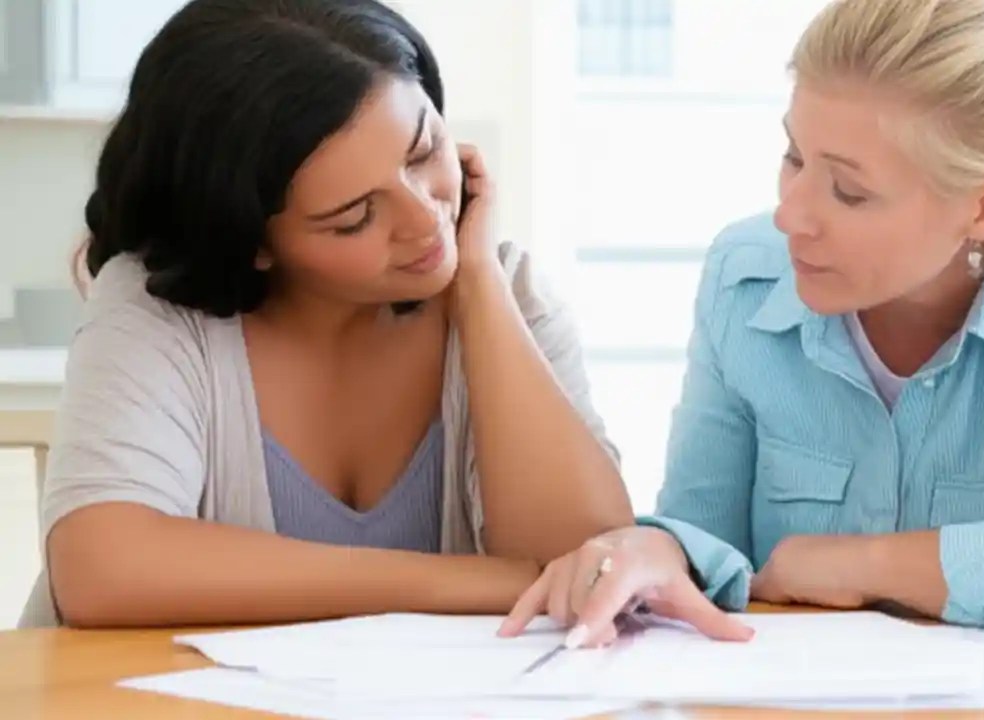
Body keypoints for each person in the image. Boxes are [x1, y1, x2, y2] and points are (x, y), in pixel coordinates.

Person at [501, 0, 984, 648]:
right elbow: (708, 538)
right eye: (794, 157)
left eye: (849, 192)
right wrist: (660, 550)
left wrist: (867, 564)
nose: (791, 216)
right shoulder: (744, 279)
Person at [19, 0, 633, 629]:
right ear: (253, 242)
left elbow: (592, 565)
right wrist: (474, 580)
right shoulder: (159, 308)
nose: (425, 221)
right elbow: (104, 570)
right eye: (356, 217)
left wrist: (476, 285)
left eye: (423, 152)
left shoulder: (507, 292)